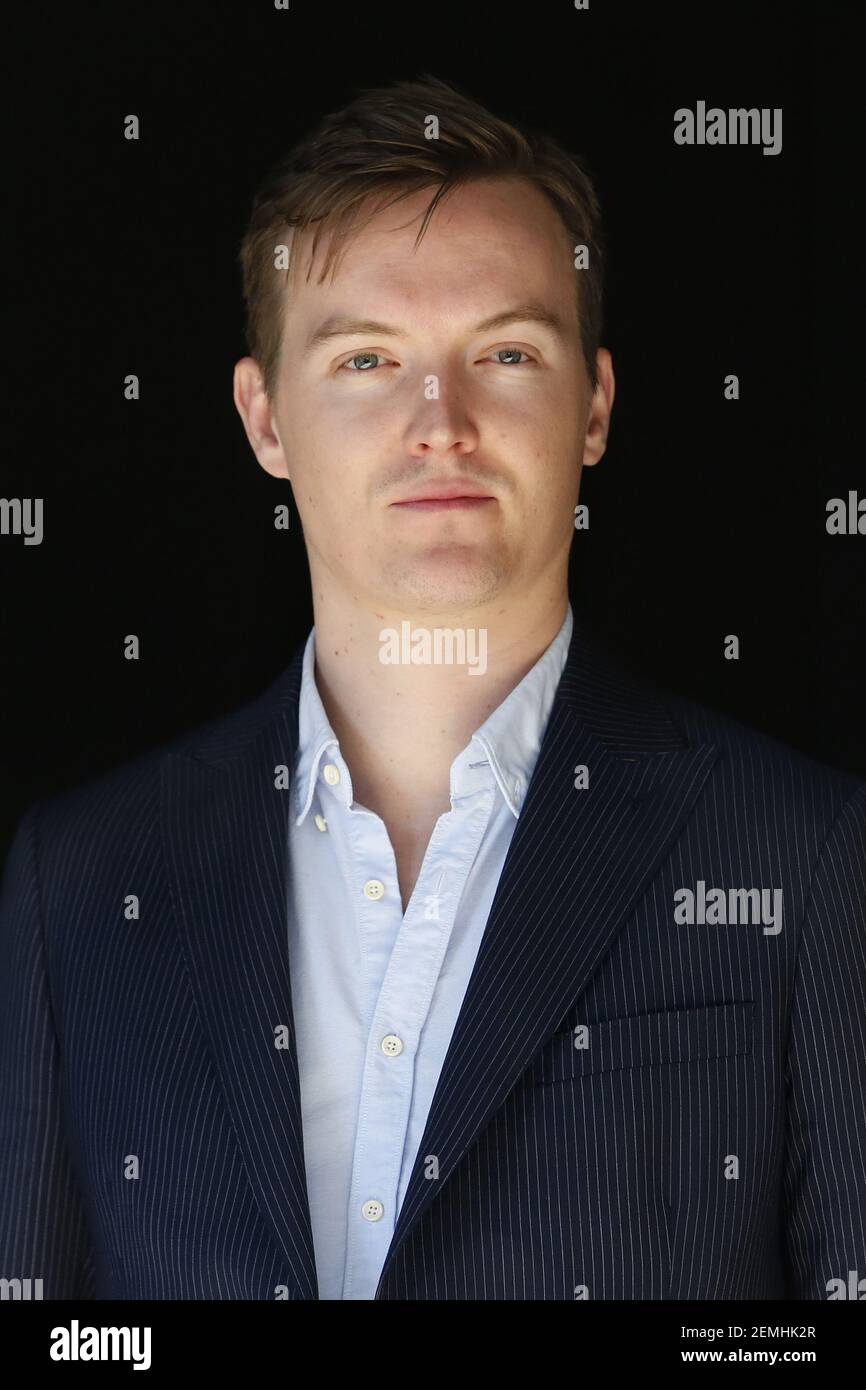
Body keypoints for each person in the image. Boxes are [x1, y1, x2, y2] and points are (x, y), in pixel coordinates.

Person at [1, 74, 864, 1302]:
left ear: (594, 407)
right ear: (264, 421)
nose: (438, 420)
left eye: (504, 352)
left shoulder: (810, 860)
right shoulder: (76, 884)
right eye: (365, 359)